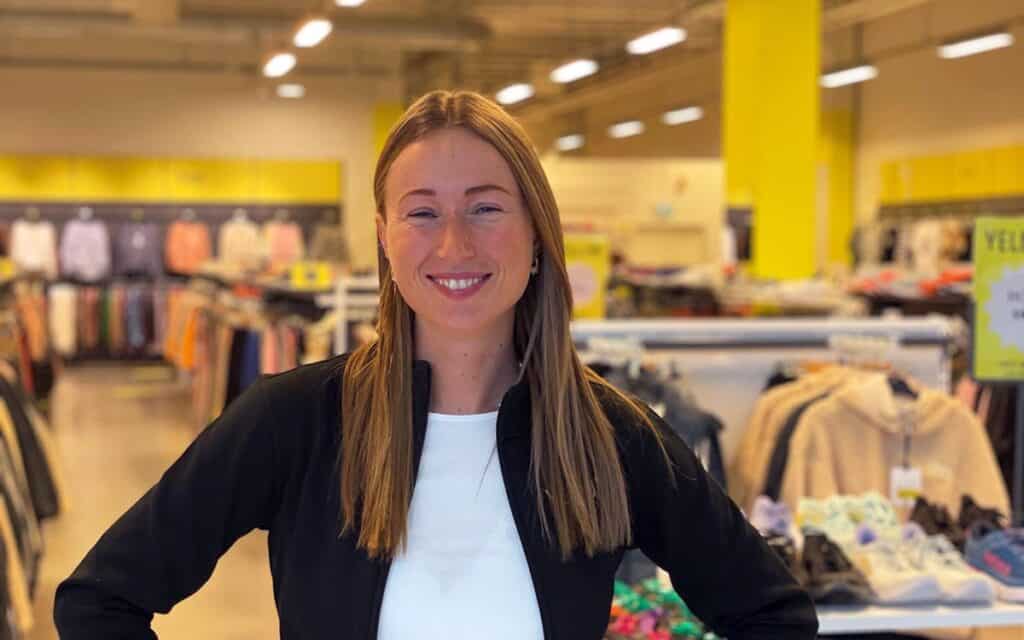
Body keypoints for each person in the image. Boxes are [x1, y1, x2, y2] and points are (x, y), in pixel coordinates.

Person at [54, 90, 817, 639]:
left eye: (486, 207)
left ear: (535, 232)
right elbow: (98, 601)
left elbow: (773, 615)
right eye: (422, 212)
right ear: (385, 236)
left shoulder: (610, 437)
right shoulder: (297, 422)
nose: (454, 244)